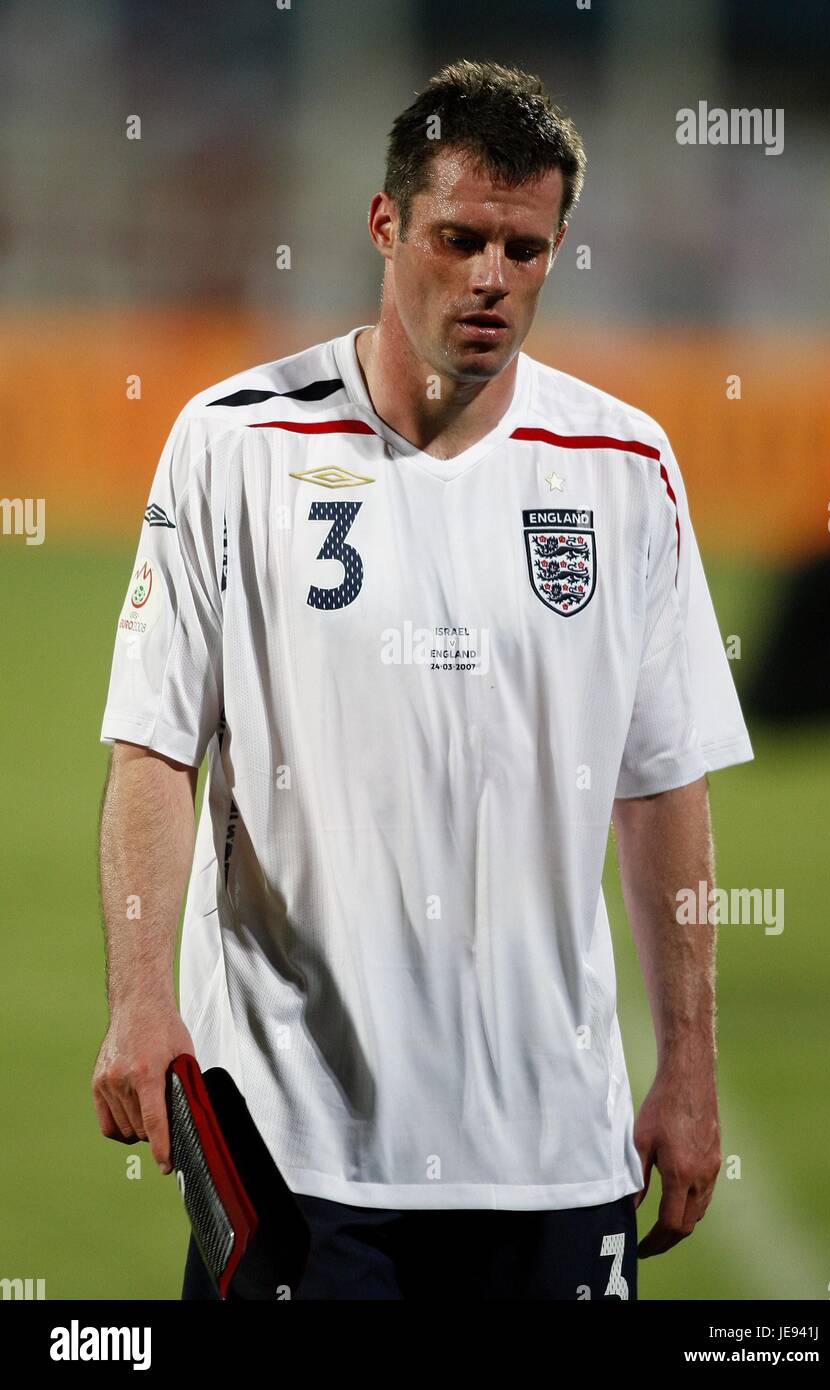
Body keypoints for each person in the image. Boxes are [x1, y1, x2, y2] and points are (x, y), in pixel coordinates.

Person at [92, 59, 754, 1300]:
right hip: (293, 1148)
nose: (492, 278)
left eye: (526, 247)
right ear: (386, 223)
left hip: (556, 1152)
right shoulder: (231, 441)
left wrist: (689, 1065)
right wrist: (139, 1001)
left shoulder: (623, 466)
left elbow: (662, 786)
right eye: (459, 238)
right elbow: (151, 748)